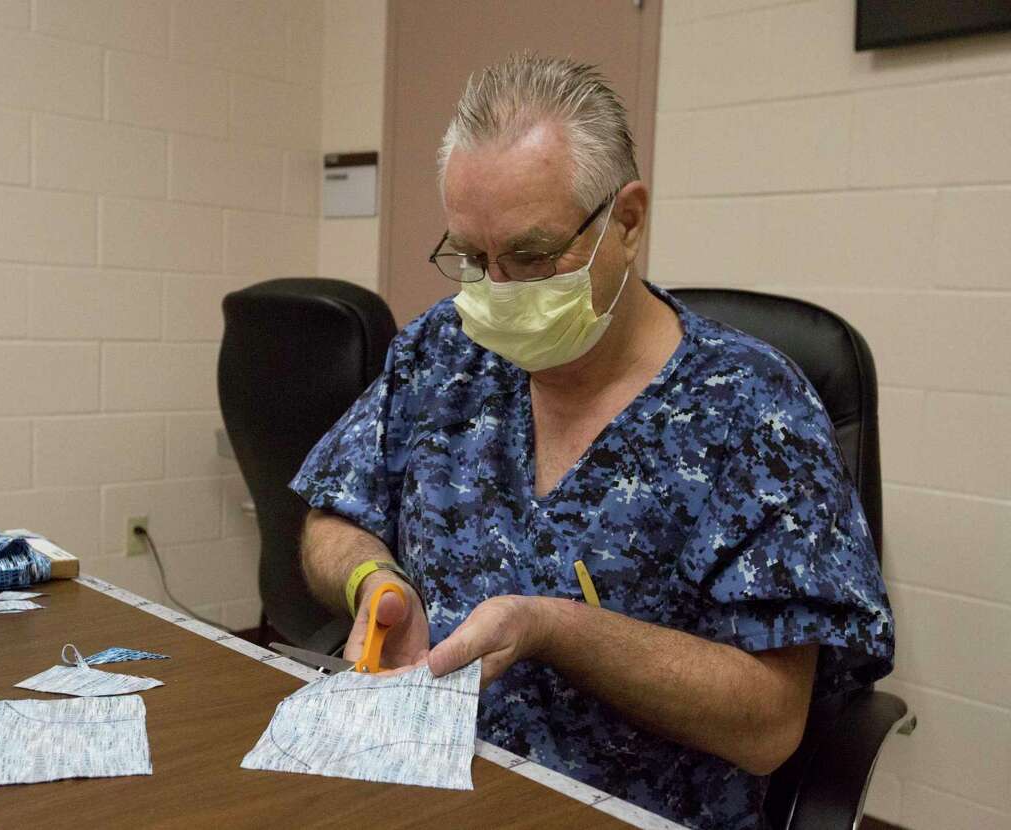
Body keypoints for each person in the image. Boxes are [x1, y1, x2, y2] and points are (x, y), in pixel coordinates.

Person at [293, 54, 893, 829]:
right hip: (419, 788)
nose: (498, 292)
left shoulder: (751, 409)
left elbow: (769, 723)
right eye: (473, 259)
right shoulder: (444, 353)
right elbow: (331, 517)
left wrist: (554, 628)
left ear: (628, 221)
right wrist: (374, 582)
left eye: (533, 257)